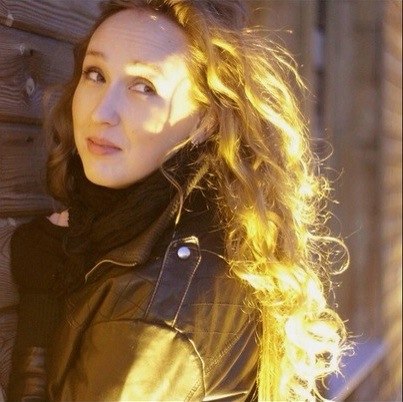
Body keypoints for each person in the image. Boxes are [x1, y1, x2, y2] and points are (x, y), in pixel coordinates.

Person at [6, 0, 350, 401]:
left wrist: (39, 302)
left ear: (204, 121)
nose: (102, 111)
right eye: (95, 74)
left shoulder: (155, 325)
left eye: (144, 87)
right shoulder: (197, 221)